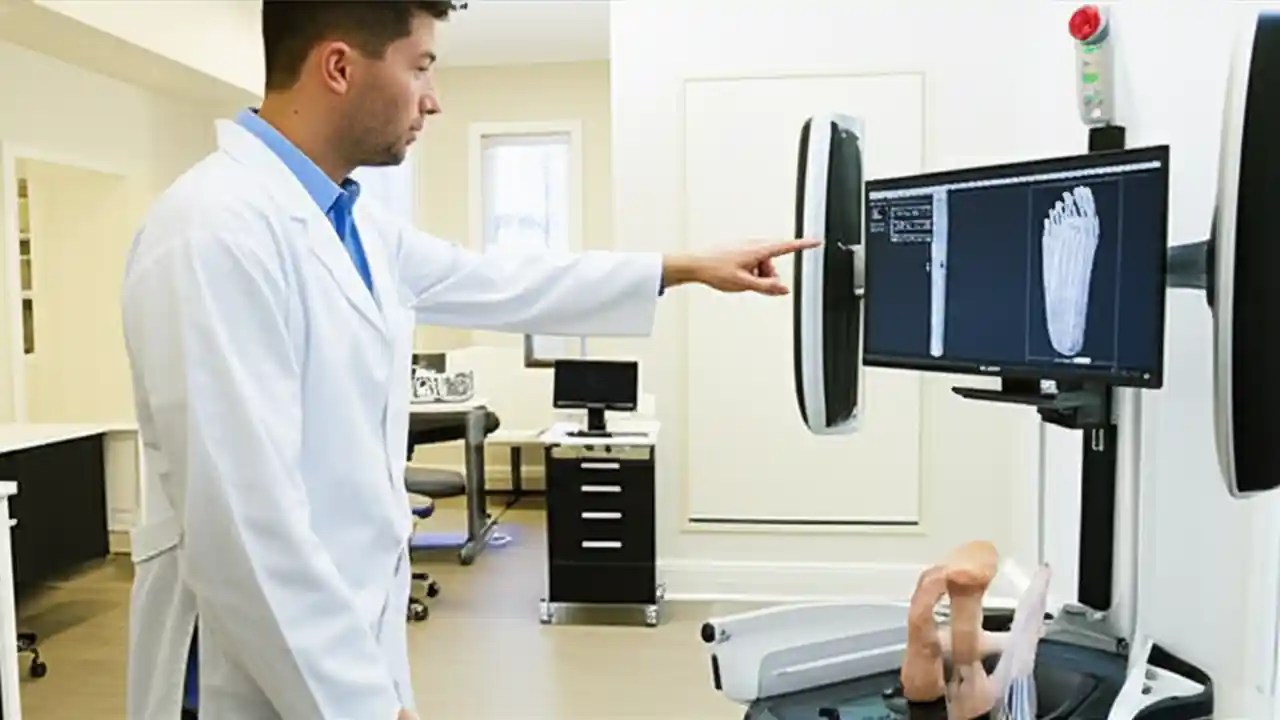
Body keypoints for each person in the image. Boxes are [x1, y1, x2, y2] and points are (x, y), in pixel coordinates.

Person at [120, 2, 817, 719]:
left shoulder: (352, 224)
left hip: (342, 639)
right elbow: (242, 525)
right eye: (420, 66)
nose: (433, 99)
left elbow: (506, 279)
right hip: (247, 672)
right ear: (338, 67)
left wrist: (684, 266)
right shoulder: (212, 231)